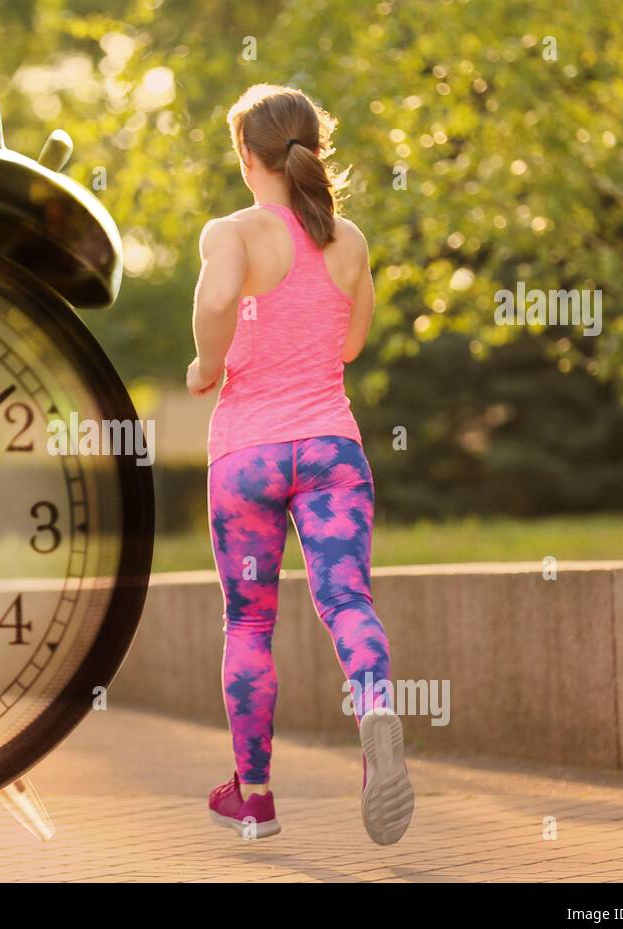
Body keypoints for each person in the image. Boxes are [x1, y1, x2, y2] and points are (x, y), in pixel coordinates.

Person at [187, 83, 413, 845]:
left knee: (249, 620)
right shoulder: (347, 239)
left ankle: (254, 798)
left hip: (247, 455)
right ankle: (376, 706)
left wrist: (205, 363)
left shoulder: (232, 233)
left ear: (247, 157)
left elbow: (219, 299)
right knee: (347, 601)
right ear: (312, 148)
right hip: (330, 450)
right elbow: (350, 344)